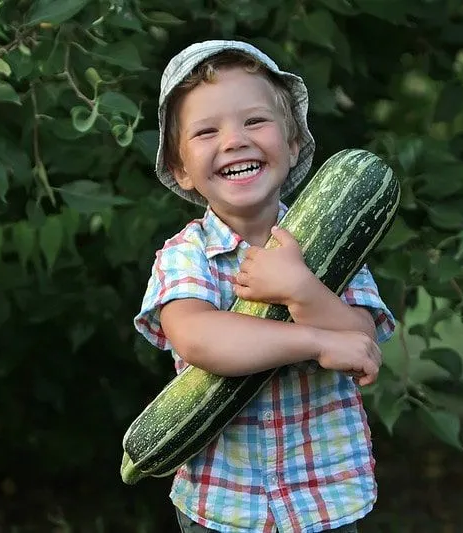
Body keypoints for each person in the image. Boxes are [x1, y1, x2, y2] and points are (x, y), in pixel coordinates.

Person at [134, 40, 396, 533]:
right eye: (207, 131)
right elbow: (200, 339)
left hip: (326, 500)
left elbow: (361, 341)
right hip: (225, 508)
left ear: (294, 143)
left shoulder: (338, 245)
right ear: (180, 169)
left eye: (255, 121)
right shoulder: (186, 255)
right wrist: (315, 340)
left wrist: (303, 290)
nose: (234, 140)